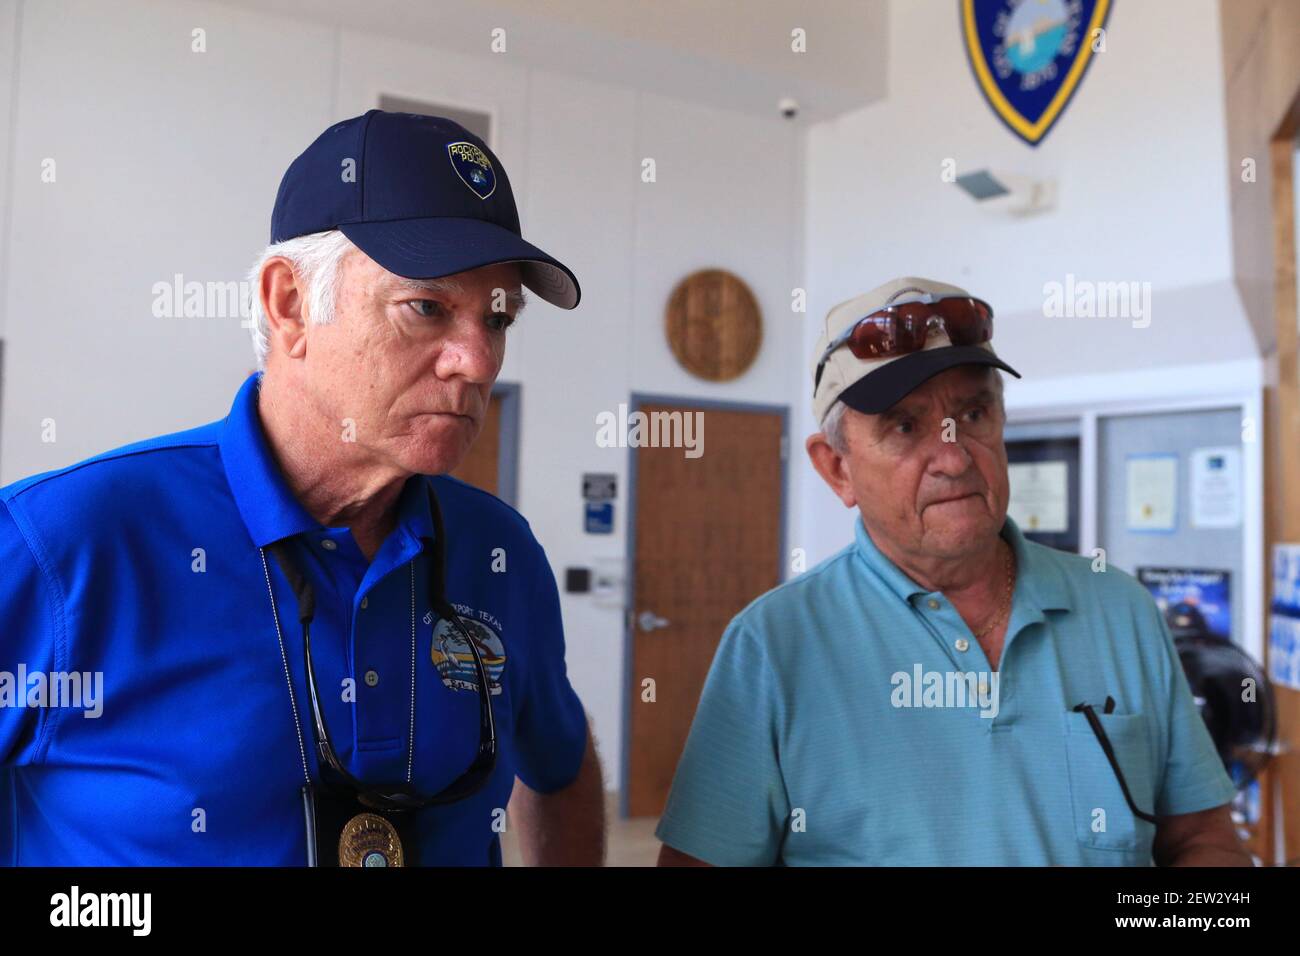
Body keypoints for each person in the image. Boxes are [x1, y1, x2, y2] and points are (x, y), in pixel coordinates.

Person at [0, 111, 604, 866]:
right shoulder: (61, 544)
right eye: (427, 308)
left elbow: (560, 764)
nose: (478, 362)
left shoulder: (498, 550)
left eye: (498, 315)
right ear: (289, 303)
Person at [656, 276, 1248, 866]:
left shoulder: (1121, 610)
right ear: (837, 469)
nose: (955, 455)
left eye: (973, 412)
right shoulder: (774, 647)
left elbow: (1201, 841)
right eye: (905, 426)